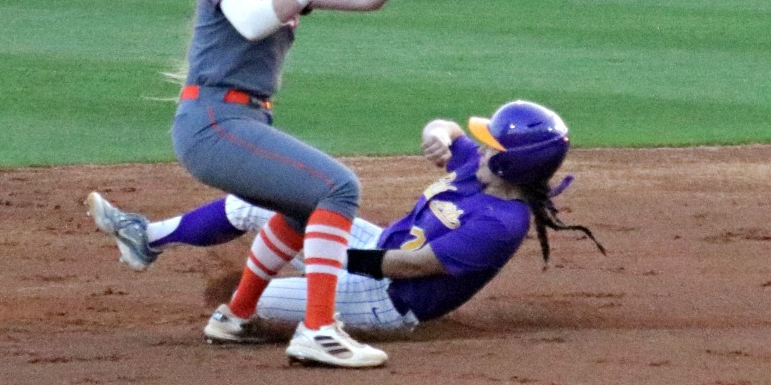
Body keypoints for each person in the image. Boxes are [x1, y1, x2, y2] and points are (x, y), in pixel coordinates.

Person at [161, 0, 432, 369]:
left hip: (240, 119)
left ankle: (235, 315)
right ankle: (319, 330)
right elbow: (250, 22)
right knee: (337, 187)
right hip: (213, 123)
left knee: (305, 205)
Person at [89, 100, 599, 337]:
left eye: (492, 142)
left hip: (388, 300)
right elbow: (445, 124)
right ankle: (146, 237)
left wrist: (325, 254)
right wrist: (437, 132)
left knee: (242, 299)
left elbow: (413, 266)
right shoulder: (478, 165)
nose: (479, 143)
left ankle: (256, 320)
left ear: (512, 162)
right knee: (269, 198)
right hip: (380, 246)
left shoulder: (499, 224)